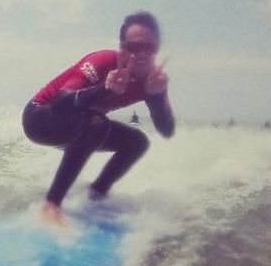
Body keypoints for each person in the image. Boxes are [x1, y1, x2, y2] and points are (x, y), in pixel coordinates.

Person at [22, 11, 175, 224]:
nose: (141, 54)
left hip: (79, 127)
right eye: (134, 47)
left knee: (137, 142)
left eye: (148, 48)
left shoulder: (154, 80)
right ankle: (51, 205)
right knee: (97, 124)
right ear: (122, 47)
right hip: (39, 119)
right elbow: (59, 102)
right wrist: (105, 89)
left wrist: (156, 97)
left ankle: (95, 196)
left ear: (156, 49)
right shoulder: (102, 61)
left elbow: (166, 130)